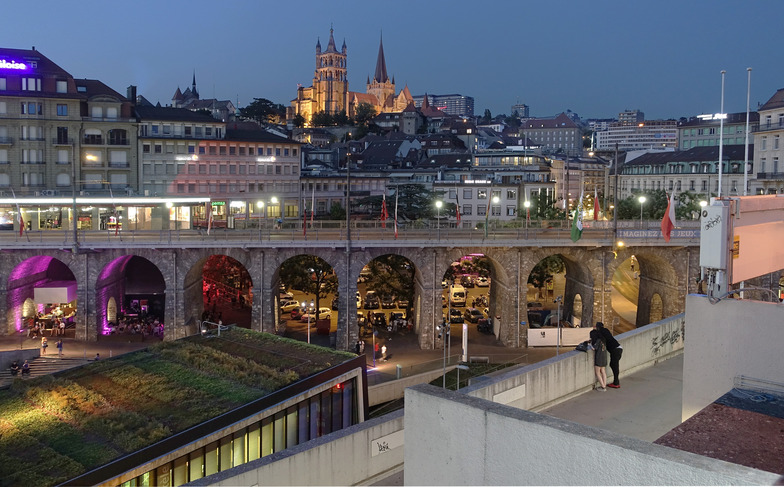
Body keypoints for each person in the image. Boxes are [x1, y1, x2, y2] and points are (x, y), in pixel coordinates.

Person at [596, 322, 622, 388]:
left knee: (614, 365)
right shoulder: (606, 330)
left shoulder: (600, 333)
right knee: (614, 365)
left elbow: (599, 341)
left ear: (597, 327)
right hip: (619, 348)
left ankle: (616, 383)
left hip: (615, 350)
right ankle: (616, 382)